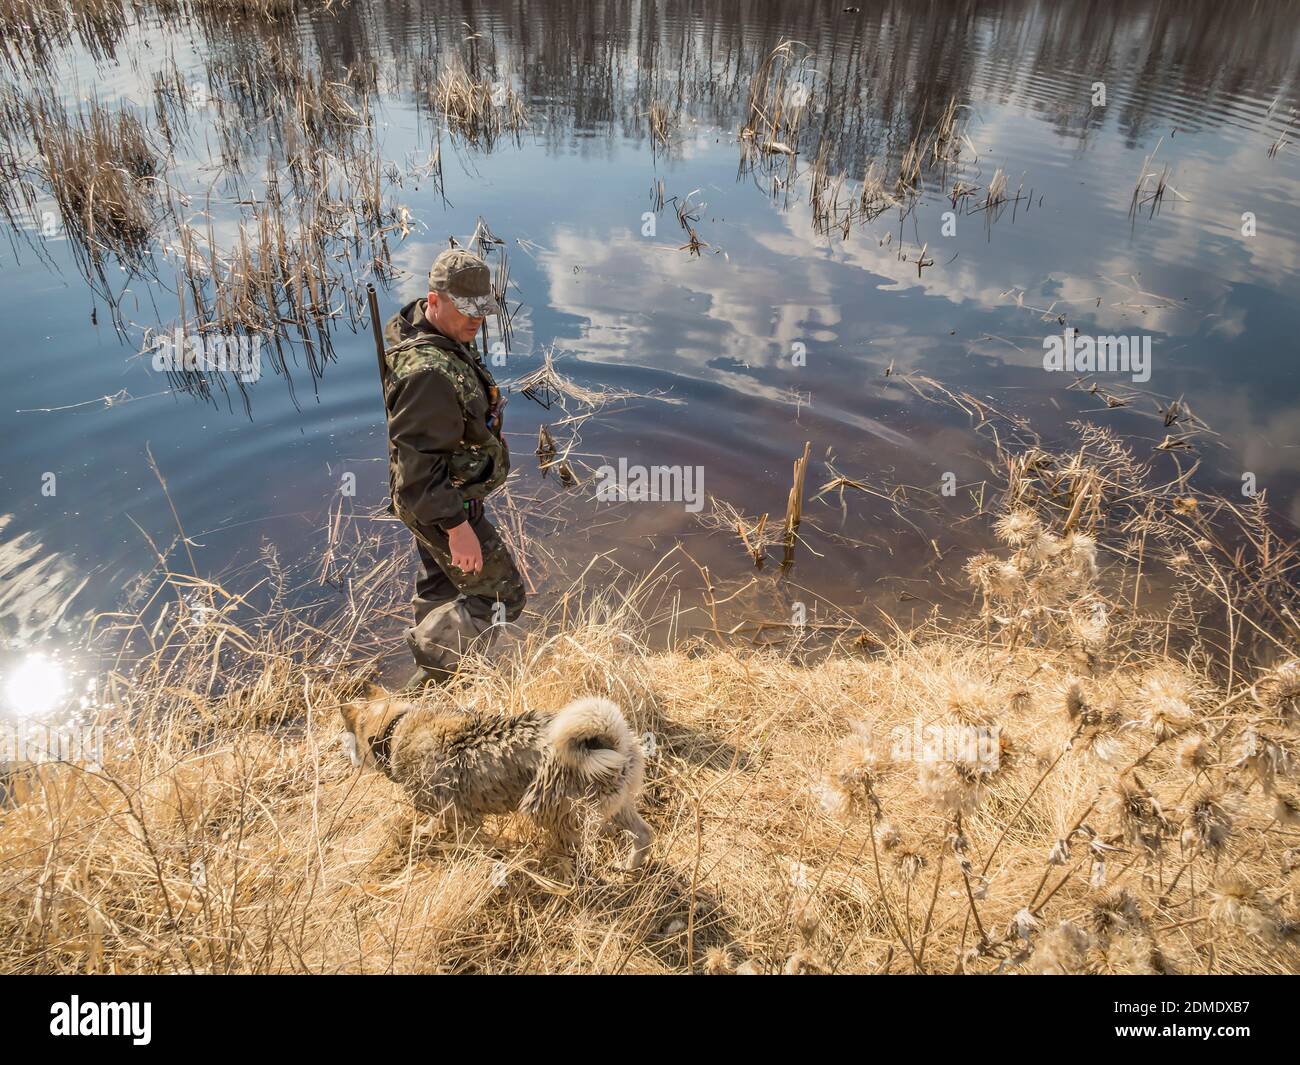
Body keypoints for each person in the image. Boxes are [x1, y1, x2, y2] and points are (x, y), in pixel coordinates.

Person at [381, 247, 525, 687]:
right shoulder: (428, 372)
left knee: (441, 585)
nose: (476, 321)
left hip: (439, 501)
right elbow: (419, 467)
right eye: (466, 311)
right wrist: (456, 526)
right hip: (443, 503)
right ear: (435, 299)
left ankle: (442, 679)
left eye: (482, 310)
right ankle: (432, 672)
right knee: (502, 595)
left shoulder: (430, 332)